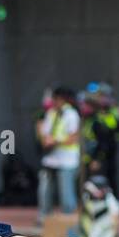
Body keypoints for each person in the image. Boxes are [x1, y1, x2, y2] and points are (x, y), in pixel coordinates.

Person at [38, 85, 81, 218]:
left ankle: (69, 223)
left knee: (66, 193)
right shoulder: (51, 113)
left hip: (67, 160)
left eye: (55, 99)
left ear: (62, 99)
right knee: (44, 190)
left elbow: (74, 137)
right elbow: (44, 133)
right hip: (50, 159)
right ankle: (44, 218)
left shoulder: (72, 114)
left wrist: (55, 141)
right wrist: (44, 137)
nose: (53, 102)